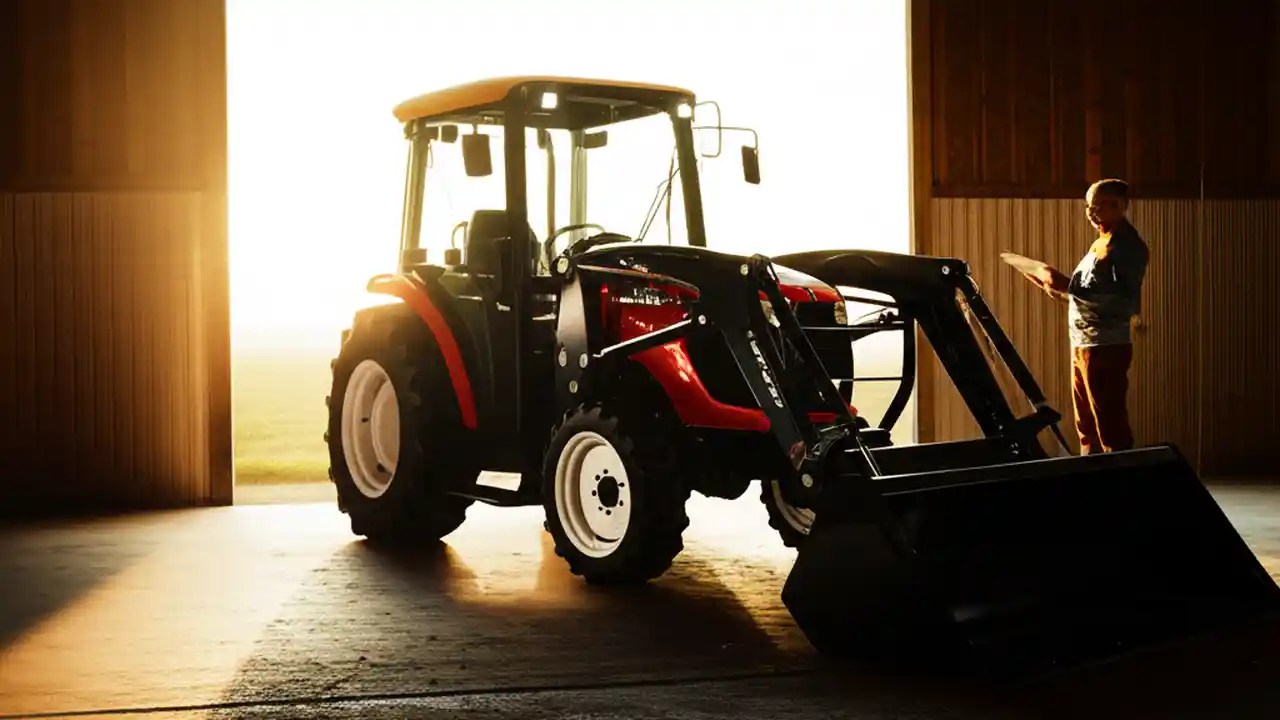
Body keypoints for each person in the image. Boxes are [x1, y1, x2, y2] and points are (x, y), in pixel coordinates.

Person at [1021, 178, 1149, 455]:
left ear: (1119, 206)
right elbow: (1085, 293)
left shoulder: (1124, 247)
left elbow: (1121, 300)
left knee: (1108, 423)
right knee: (1087, 423)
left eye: (1099, 206)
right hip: (1084, 343)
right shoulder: (1100, 243)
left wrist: (1063, 284)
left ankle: (1119, 482)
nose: (1092, 212)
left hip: (1104, 346)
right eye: (1089, 206)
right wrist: (1051, 284)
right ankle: (1090, 480)